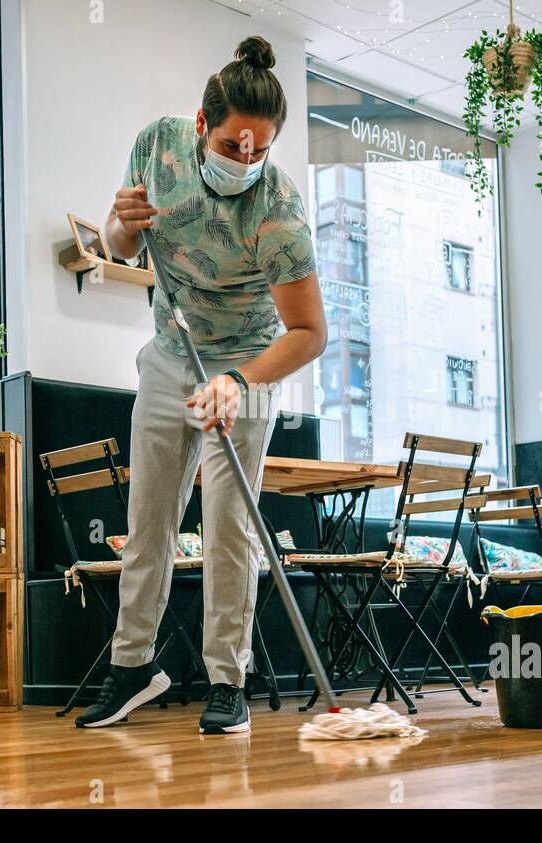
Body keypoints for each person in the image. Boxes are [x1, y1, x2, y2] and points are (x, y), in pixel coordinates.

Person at [75, 35, 325, 735]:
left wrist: (240, 382)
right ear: (199, 126)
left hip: (247, 361)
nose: (245, 161)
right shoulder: (155, 149)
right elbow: (122, 249)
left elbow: (309, 333)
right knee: (147, 520)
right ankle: (132, 668)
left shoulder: (280, 214)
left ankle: (227, 681)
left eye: (260, 151)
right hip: (170, 352)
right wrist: (116, 232)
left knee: (226, 525)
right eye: (232, 145)